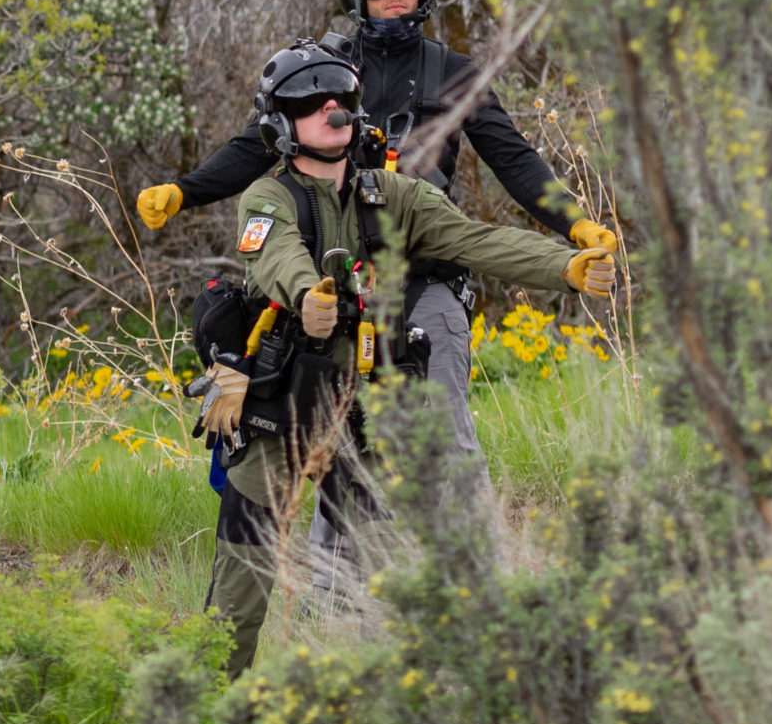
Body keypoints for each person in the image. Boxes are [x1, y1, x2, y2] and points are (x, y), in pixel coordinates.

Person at [200, 39, 615, 675]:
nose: (329, 107)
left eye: (339, 95)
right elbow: (276, 253)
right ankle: (207, 701)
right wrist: (308, 296)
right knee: (244, 567)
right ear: (281, 120)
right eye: (310, 100)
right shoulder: (267, 196)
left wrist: (565, 265)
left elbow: (477, 241)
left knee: (389, 562)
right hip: (280, 405)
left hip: (362, 401)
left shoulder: (393, 195)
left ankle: (401, 697)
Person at [139, 0, 615, 467]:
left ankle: (467, 547)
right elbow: (255, 144)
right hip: (334, 282)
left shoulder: (455, 74)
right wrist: (185, 191)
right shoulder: (320, 69)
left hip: (425, 273)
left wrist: (573, 224)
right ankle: (339, 549)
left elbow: (515, 160)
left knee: (445, 436)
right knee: (329, 447)